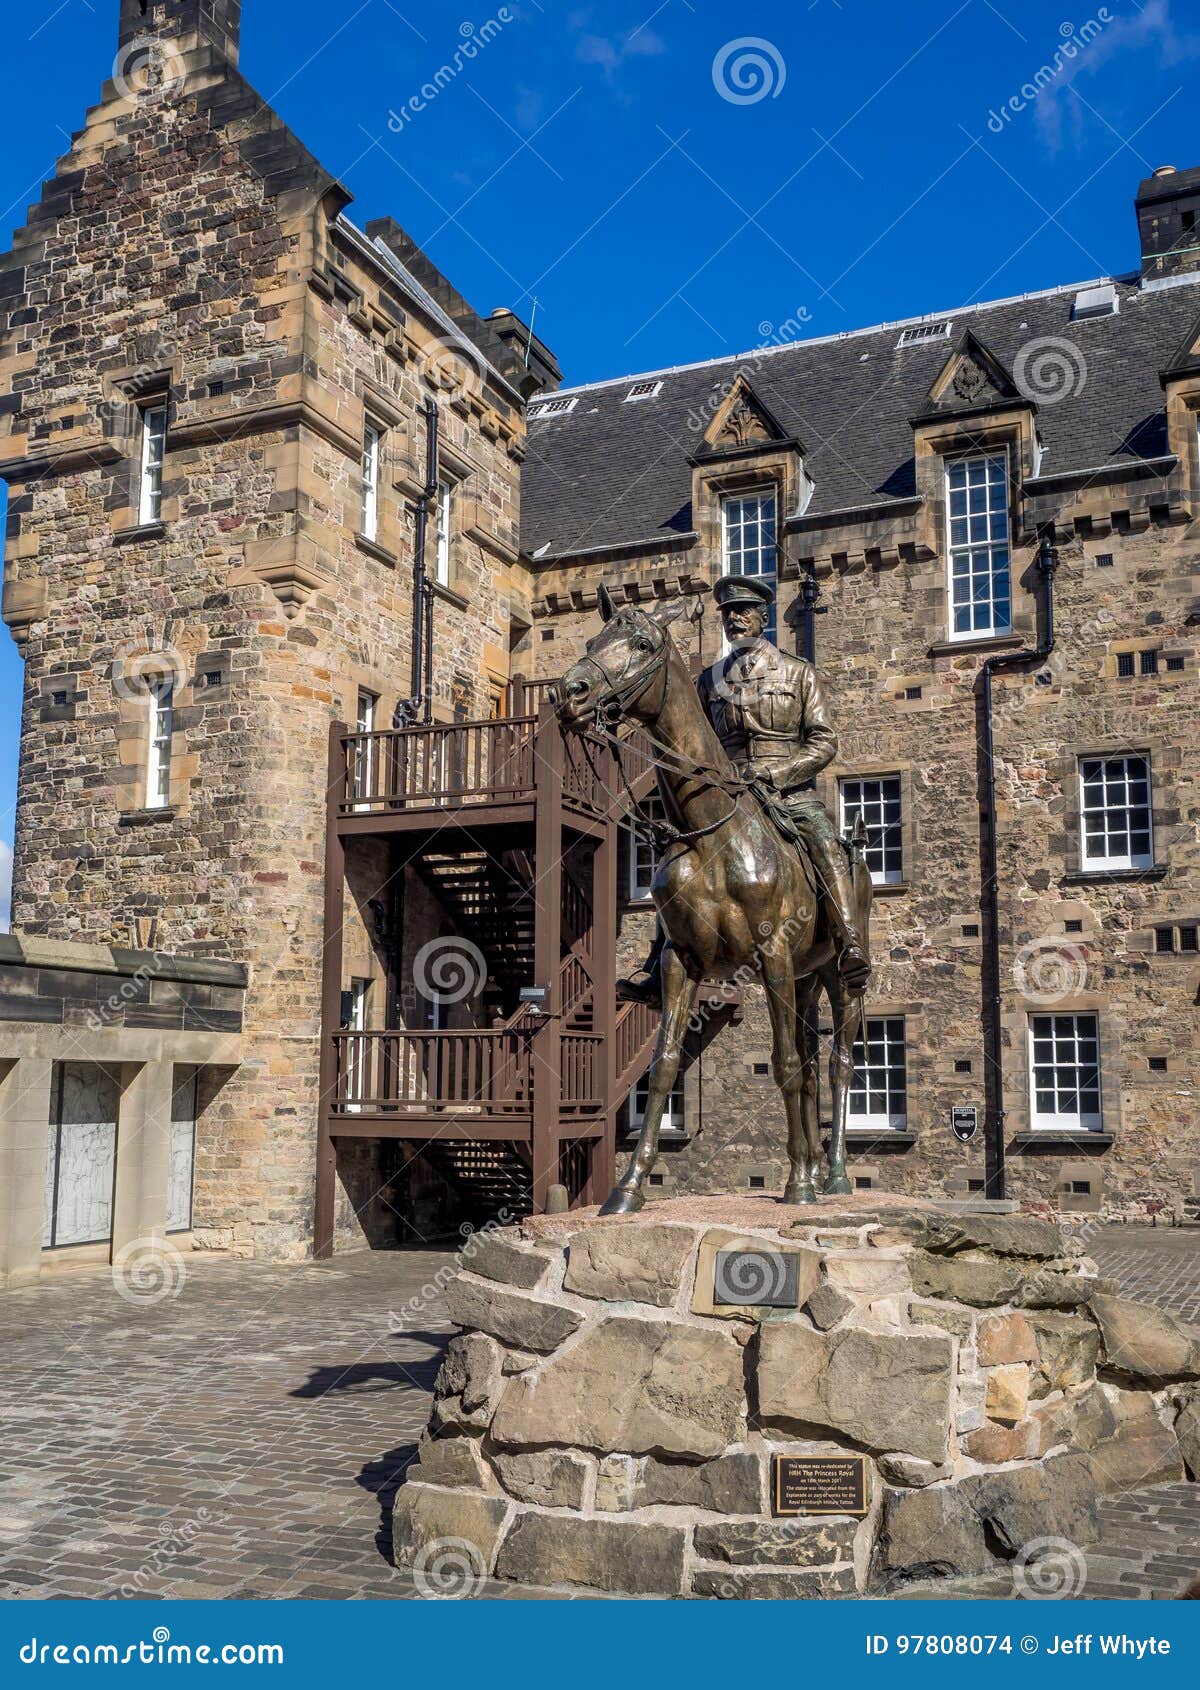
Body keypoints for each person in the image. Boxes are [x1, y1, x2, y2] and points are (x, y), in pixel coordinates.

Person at [617, 573, 871, 1008]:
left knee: (824, 839)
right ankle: (658, 961)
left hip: (788, 793)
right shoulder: (707, 682)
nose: (734, 619)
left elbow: (824, 742)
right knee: (678, 859)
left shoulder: (798, 673)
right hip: (729, 794)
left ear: (762, 618)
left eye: (743, 611)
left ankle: (848, 941)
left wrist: (777, 775)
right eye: (728, 613)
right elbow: (694, 740)